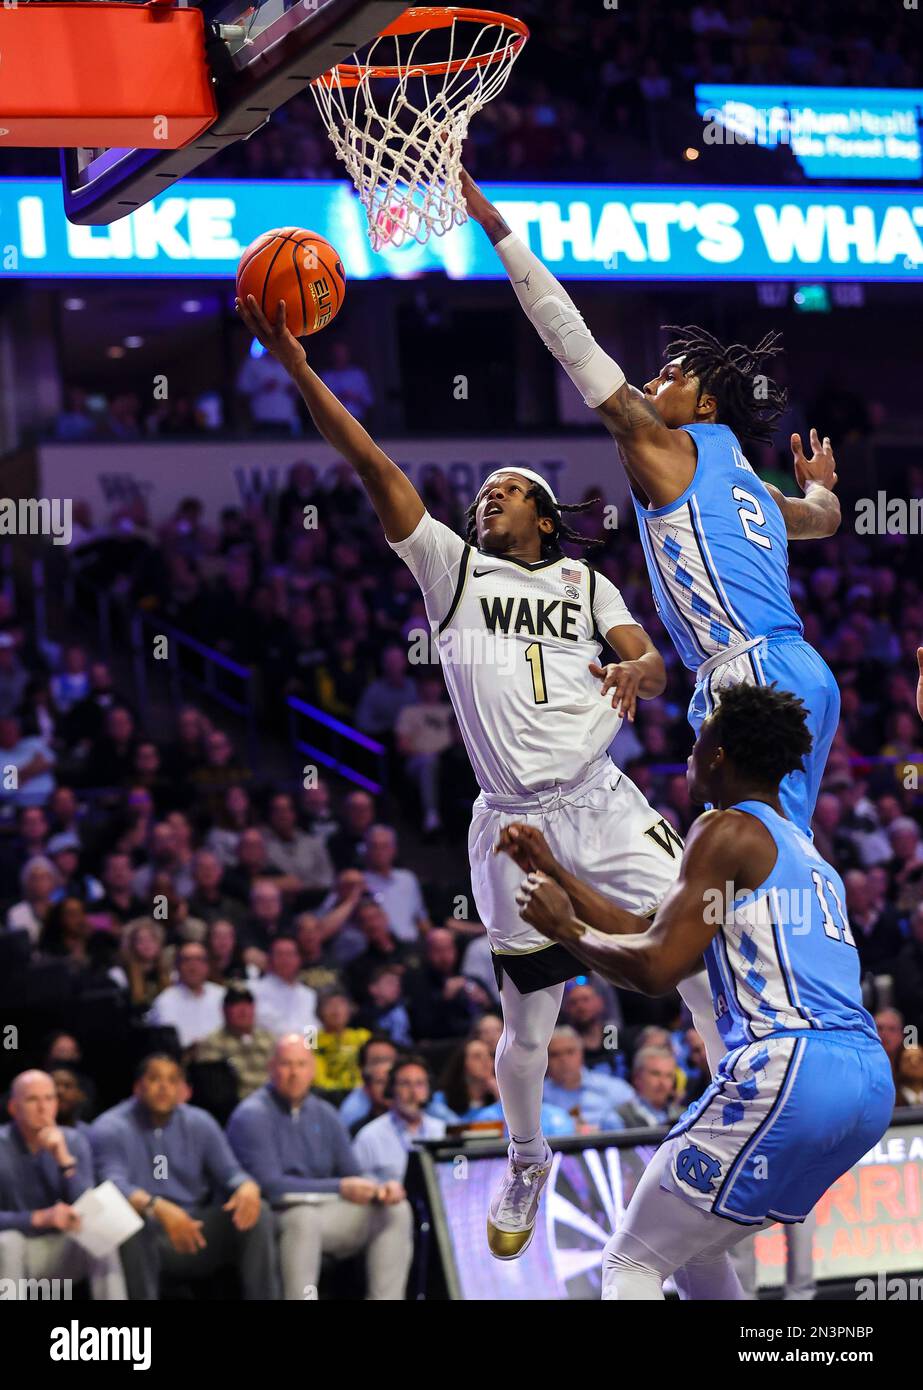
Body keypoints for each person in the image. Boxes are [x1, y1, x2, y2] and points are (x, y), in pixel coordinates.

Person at [236, 288, 708, 1264]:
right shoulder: (451, 571)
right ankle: (528, 1157)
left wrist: (637, 666)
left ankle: (730, 1118)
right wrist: (294, 367)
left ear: (541, 513)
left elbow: (650, 658)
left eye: (503, 490)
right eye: (481, 493)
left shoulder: (583, 581)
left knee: (703, 958)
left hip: (603, 805)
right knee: (526, 1021)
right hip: (510, 821)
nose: (484, 498)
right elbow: (369, 462)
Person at [462, 169, 841, 838]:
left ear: (703, 406)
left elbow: (567, 335)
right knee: (781, 847)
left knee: (738, 850)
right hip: (805, 673)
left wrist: (496, 228)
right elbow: (825, 518)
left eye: (669, 375)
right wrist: (818, 484)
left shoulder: (665, 447)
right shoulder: (752, 486)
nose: (648, 381)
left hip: (746, 670)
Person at [502, 683, 894, 1300]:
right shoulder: (802, 850)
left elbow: (656, 971)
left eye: (700, 737)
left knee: (628, 1263)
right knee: (691, 1252)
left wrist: (564, 929)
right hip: (865, 1086)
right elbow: (651, 932)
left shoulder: (723, 830)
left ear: (721, 753)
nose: (689, 751)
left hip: (789, 1069)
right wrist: (559, 875)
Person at [226, 1035, 413, 1300]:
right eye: (286, 1064)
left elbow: (353, 1173)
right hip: (277, 1215)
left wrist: (381, 1186)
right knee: (303, 1218)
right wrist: (339, 1187)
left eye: (301, 1065)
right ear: (271, 1068)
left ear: (312, 1070)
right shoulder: (252, 1115)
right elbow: (269, 1184)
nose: (294, 1073)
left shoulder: (324, 1113)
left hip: (327, 1214)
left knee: (396, 1211)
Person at [91, 1054, 277, 1300]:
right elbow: (112, 1184)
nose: (164, 1087)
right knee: (128, 1220)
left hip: (195, 1227)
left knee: (257, 1210)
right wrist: (156, 1207)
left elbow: (230, 1172)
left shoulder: (200, 1122)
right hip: (149, 1233)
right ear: (138, 1087)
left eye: (172, 1080)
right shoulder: (110, 1126)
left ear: (182, 1089)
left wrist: (247, 1186)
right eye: (155, 1079)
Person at [0, 1070, 126, 1300]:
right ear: (13, 1107)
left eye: (49, 1098)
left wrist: (64, 1160)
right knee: (8, 1242)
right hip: (17, 1251)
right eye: (32, 1099)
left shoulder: (74, 1140)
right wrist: (37, 1218)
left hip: (63, 1249)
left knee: (102, 1232)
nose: (43, 1107)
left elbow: (88, 1208)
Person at [354, 1057, 446, 1185]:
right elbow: (357, 1186)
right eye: (405, 1084)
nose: (413, 1092)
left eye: (420, 1084)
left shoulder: (442, 1131)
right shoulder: (369, 1137)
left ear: (428, 1091)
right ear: (391, 1090)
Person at [542, 1027, 633, 1132]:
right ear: (545, 1059)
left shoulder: (614, 1088)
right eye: (555, 1054)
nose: (563, 1060)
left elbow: (638, 1124)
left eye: (570, 1052)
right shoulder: (538, 1096)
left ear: (581, 1054)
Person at [195, 985, 276, 1102]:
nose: (243, 1010)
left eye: (247, 1004)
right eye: (236, 1004)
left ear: (254, 1008)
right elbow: (216, 1090)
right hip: (236, 1105)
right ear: (224, 1010)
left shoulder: (269, 1038)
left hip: (274, 1102)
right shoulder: (211, 1043)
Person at [146, 942, 226, 1049]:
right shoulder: (164, 1002)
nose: (193, 966)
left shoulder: (222, 995)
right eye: (187, 960)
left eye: (199, 959)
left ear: (207, 966)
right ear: (177, 966)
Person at [251, 935, 319, 1038]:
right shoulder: (254, 990)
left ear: (299, 959)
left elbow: (312, 1028)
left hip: (303, 1050)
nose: (285, 959)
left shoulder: (308, 995)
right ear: (270, 959)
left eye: (290, 954)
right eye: (279, 954)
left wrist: (308, 1051)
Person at [615, 1047, 683, 1128]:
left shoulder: (684, 1116)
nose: (663, 1082)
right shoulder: (620, 1118)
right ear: (637, 1077)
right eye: (656, 1074)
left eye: (668, 1076)